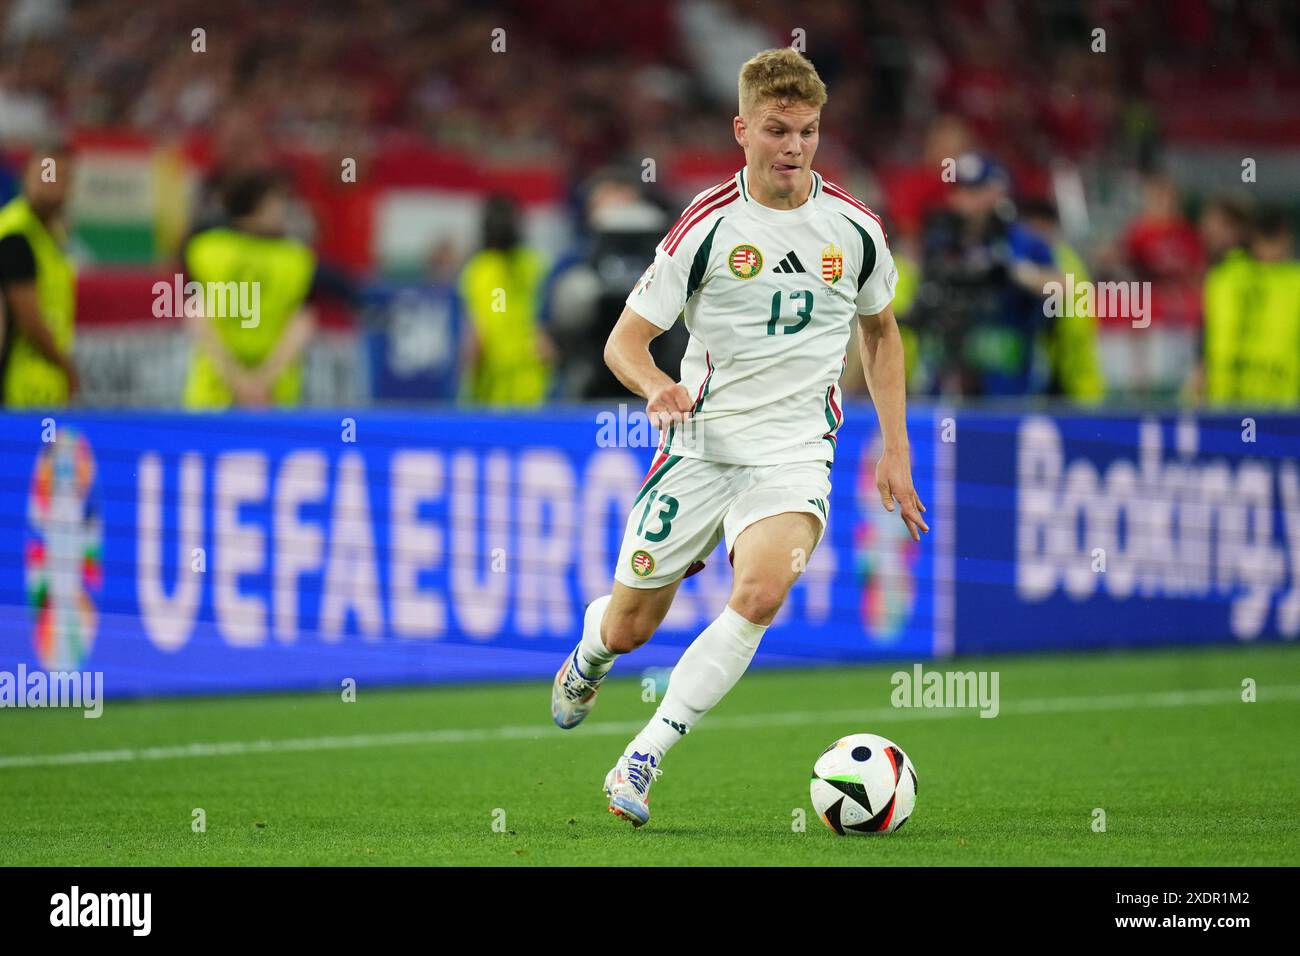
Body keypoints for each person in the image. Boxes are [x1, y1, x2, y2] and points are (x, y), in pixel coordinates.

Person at [549, 48, 928, 828]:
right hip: (702, 447)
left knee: (759, 593)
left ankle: (643, 757)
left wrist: (895, 447)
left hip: (794, 454)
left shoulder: (854, 230)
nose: (794, 148)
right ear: (742, 130)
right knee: (630, 626)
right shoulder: (707, 228)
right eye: (778, 130)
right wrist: (659, 387)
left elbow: (882, 334)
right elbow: (624, 342)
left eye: (809, 132)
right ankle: (591, 653)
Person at [182, 172, 318, 409]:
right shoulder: (296, 259)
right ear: (259, 205)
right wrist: (262, 382)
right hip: (274, 394)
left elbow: (197, 317)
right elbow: (301, 323)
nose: (284, 212)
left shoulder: (204, 249)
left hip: (213, 391)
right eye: (278, 203)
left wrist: (237, 380)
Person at [0, 143, 78, 407]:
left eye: (59, 177)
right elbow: (28, 318)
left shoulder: (53, 237)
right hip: (17, 386)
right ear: (26, 178)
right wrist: (66, 366)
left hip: (43, 386)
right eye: (44, 175)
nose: (50, 185)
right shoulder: (15, 234)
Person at [457, 195, 554, 406]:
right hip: (530, 374)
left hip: (499, 378)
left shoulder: (477, 270)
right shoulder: (536, 264)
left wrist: (466, 384)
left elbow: (475, 334)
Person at [1203, 206, 1300, 406]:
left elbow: (1219, 340)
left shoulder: (1226, 277)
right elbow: (1221, 339)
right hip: (1260, 396)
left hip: (1273, 396)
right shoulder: (1229, 278)